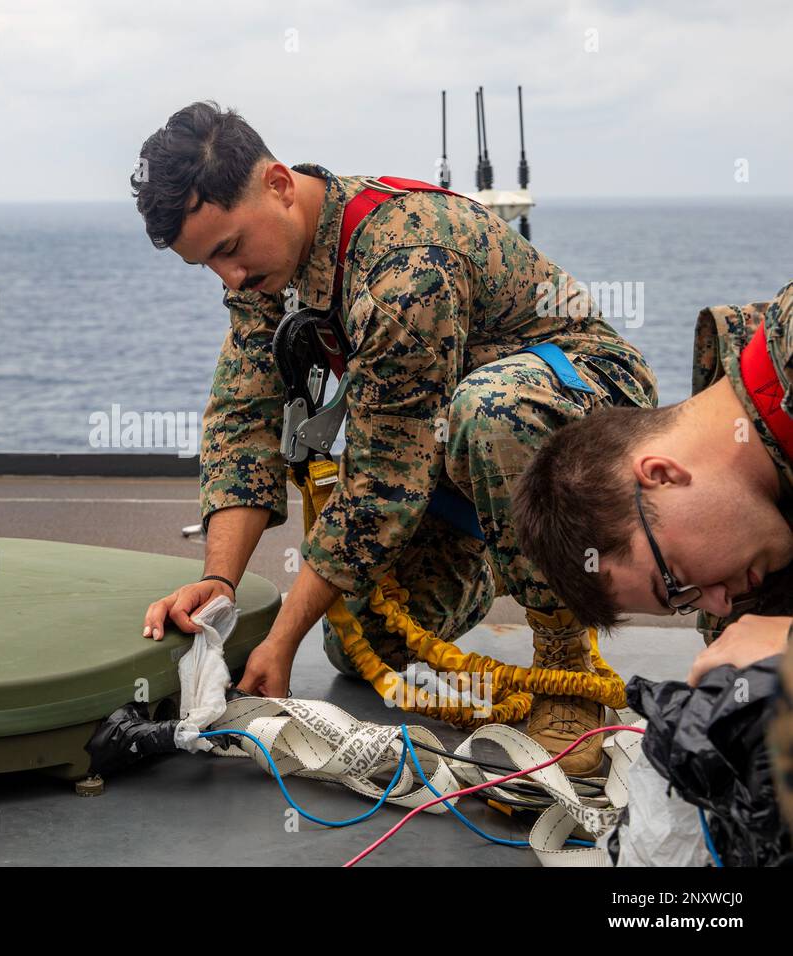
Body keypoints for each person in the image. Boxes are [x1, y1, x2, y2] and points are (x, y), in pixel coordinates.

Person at [130, 101, 656, 774]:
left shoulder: (406, 266)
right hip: (460, 459)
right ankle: (509, 549)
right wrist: (219, 580)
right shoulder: (270, 274)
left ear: (279, 186)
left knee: (486, 410)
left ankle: (565, 668)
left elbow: (384, 482)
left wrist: (281, 638)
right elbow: (243, 420)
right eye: (206, 264)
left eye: (229, 249)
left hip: (585, 409)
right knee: (364, 650)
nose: (228, 278)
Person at [513, 280, 793, 818]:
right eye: (683, 602)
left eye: (676, 579)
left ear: (661, 475)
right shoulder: (748, 547)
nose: (715, 603)